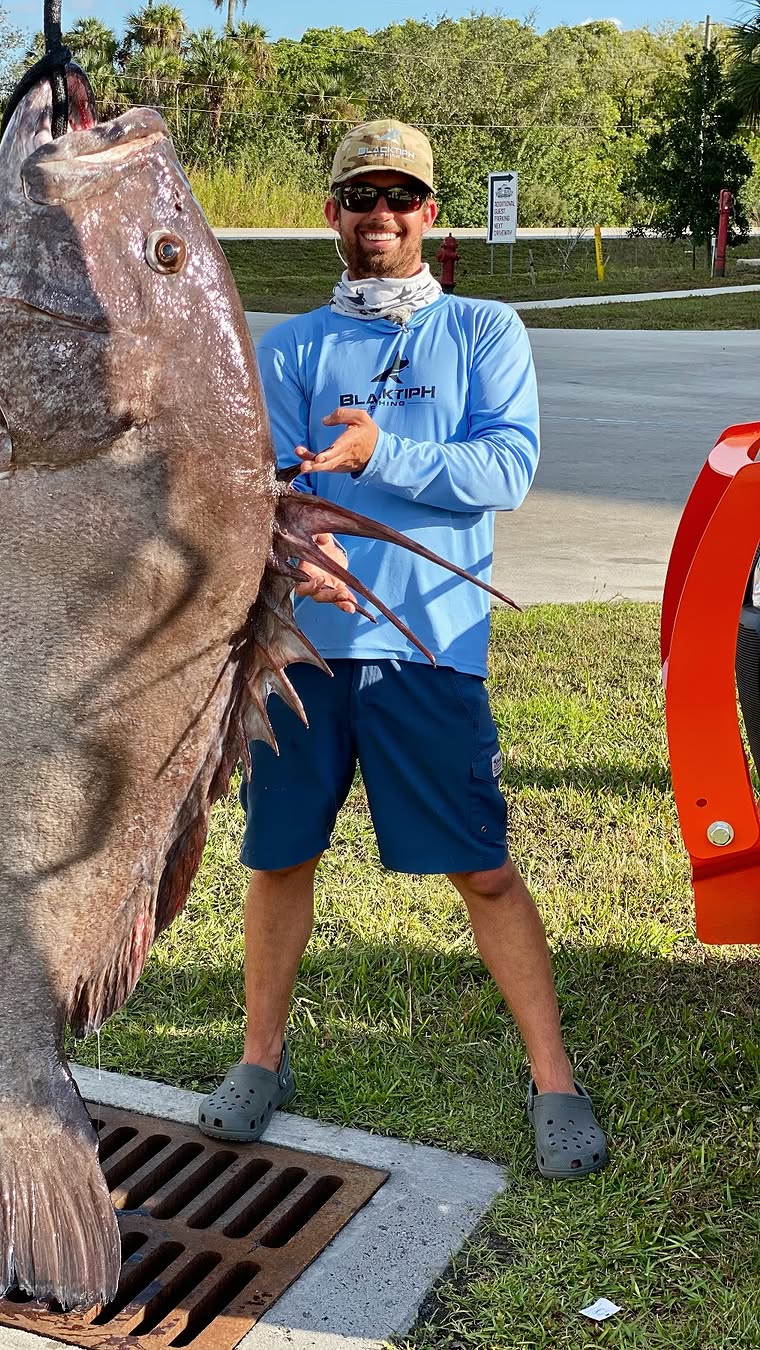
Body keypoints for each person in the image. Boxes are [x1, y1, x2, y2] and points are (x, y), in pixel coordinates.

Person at [198, 120, 608, 1180]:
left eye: (399, 197)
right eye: (359, 197)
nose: (379, 215)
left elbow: (504, 470)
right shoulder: (289, 349)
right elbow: (261, 488)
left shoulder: (483, 330)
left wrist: (382, 450)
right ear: (331, 214)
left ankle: (553, 1076)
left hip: (430, 647)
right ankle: (260, 1057)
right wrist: (296, 546)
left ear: (429, 213)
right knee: (278, 856)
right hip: (300, 652)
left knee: (481, 867)